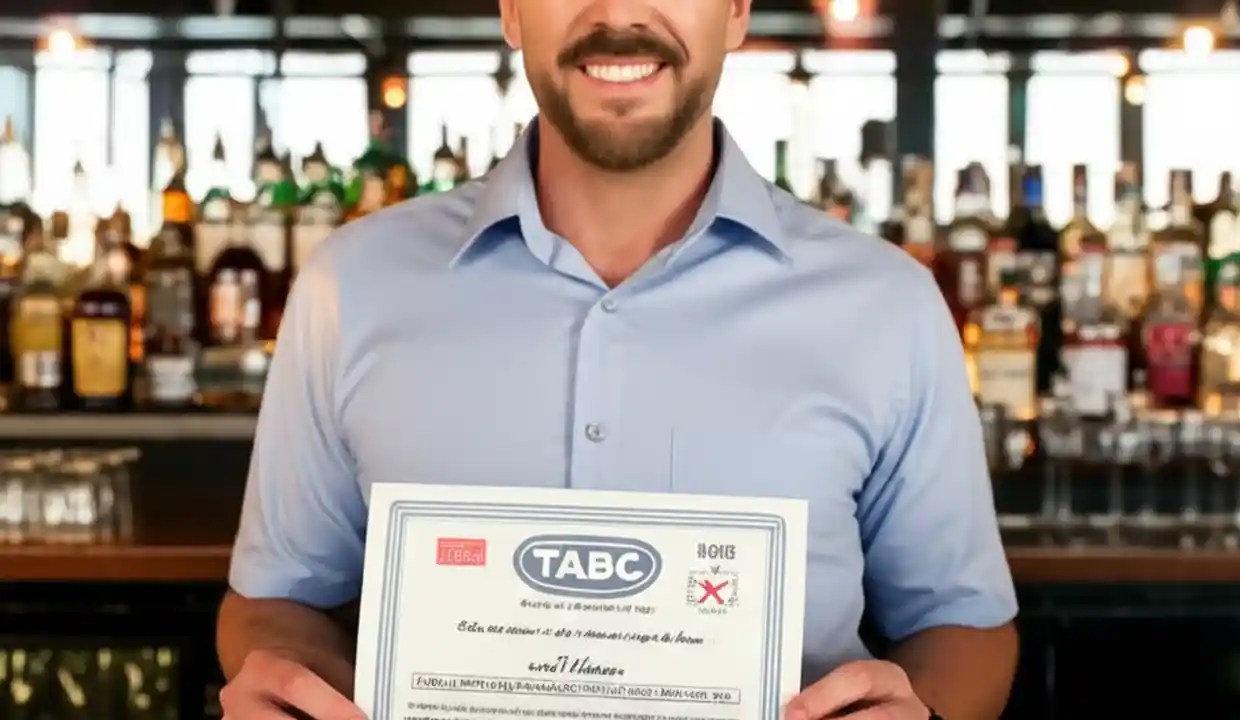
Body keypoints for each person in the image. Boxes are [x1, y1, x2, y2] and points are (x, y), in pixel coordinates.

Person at [216, 1, 1019, 718]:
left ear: (736, 12)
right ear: (510, 12)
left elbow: (967, 629)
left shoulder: (886, 304)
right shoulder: (349, 286)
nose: (618, 13)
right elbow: (274, 603)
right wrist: (291, 685)